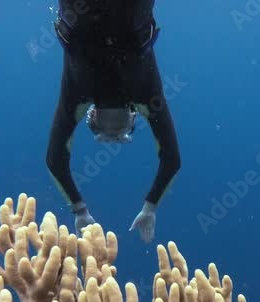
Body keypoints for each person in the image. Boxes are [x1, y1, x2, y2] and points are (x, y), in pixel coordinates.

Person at [45, 0, 181, 244]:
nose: (115, 136)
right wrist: (79, 210)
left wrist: (150, 208)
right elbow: (54, 161)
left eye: (109, 137)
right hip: (91, 18)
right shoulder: (78, 97)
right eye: (121, 136)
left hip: (127, 16)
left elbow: (172, 160)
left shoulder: (145, 98)